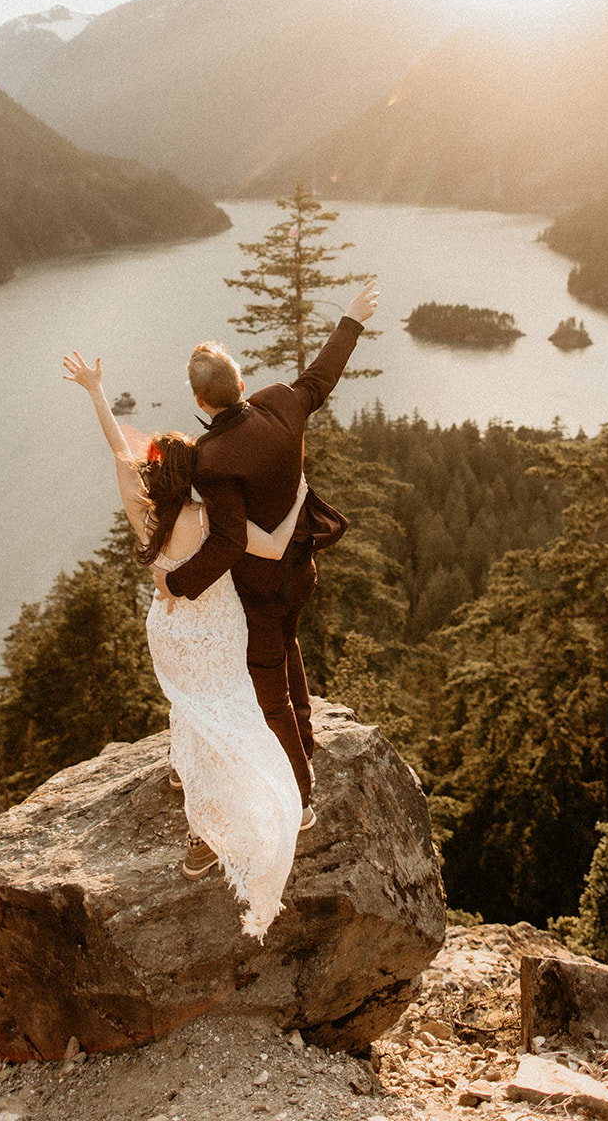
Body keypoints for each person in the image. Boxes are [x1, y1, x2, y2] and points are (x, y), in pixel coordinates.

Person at [63, 349, 308, 941]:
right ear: (193, 472)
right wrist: (299, 495)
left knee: (192, 710)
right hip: (219, 628)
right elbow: (272, 549)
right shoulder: (211, 517)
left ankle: (186, 781)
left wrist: (96, 390)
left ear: (154, 475)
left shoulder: (143, 512)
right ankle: (206, 839)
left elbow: (117, 448)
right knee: (229, 713)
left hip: (170, 633)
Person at [153, 279, 379, 816]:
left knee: (267, 691)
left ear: (200, 401)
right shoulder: (279, 404)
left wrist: (176, 583)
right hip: (302, 572)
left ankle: (298, 801)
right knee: (291, 645)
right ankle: (306, 735)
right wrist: (351, 319)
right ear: (242, 381)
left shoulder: (211, 458)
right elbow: (321, 377)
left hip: (260, 589)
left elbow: (230, 541)